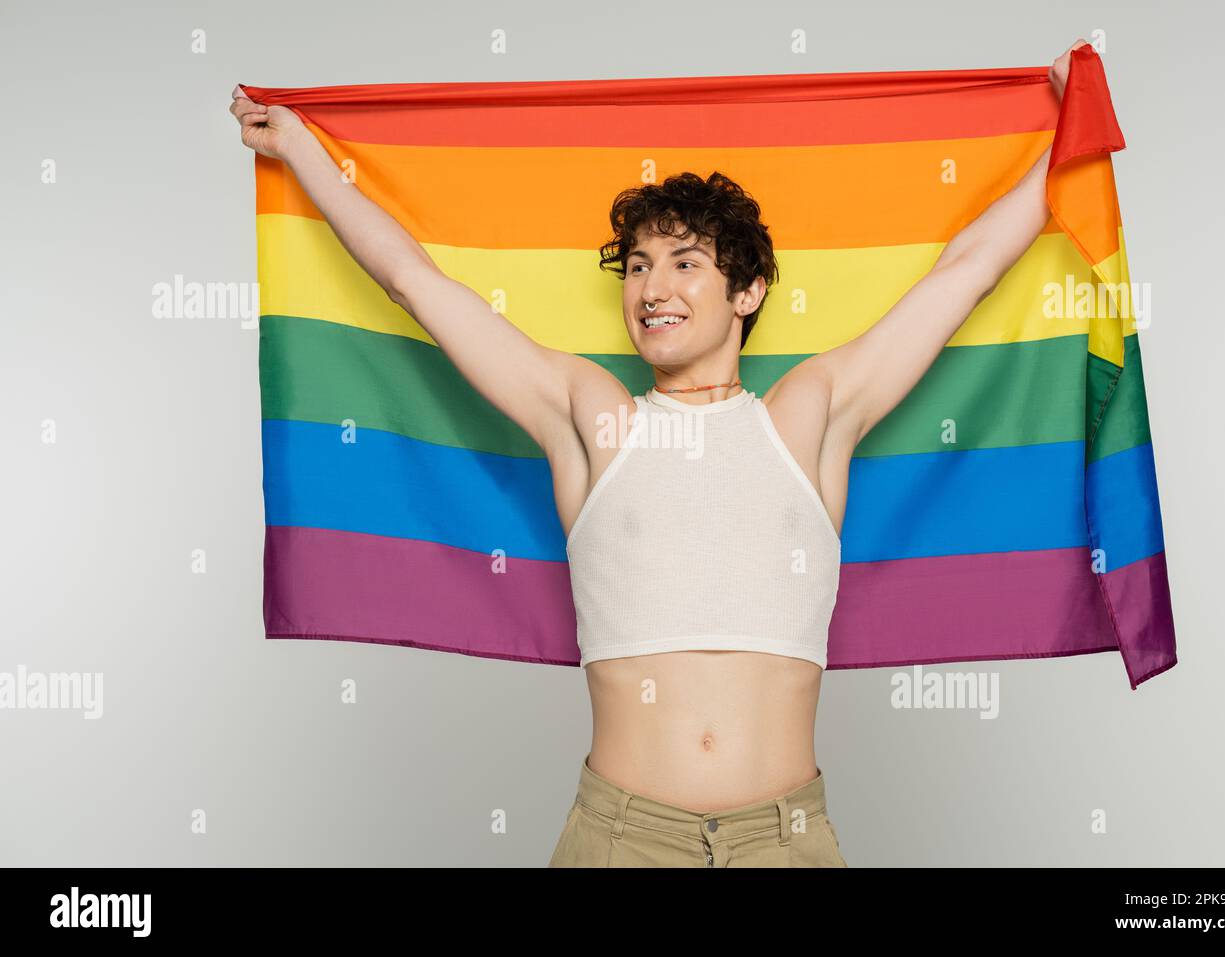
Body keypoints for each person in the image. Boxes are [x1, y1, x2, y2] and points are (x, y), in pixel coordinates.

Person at [230, 40, 1087, 867]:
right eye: (637, 267)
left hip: (783, 842)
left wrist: (1071, 130)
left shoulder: (807, 416)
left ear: (747, 291)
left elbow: (964, 273)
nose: (653, 288)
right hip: (621, 839)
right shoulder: (592, 418)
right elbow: (415, 283)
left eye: (685, 262)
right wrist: (301, 149)